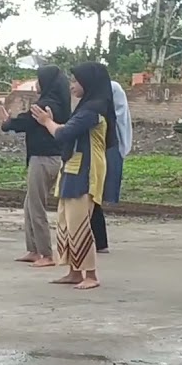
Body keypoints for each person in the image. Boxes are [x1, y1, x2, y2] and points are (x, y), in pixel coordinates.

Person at [28, 62, 114, 290]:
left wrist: (47, 122)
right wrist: (50, 122)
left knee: (79, 221)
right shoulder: (86, 107)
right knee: (66, 221)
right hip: (74, 166)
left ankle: (91, 274)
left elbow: (64, 133)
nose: (72, 85)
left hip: (87, 170)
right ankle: (74, 271)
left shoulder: (94, 108)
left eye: (76, 81)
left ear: (88, 82)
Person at [0, 65, 70, 267]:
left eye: (38, 80)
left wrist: (6, 122)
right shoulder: (60, 103)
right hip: (48, 159)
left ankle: (46, 254)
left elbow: (25, 122)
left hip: (43, 159)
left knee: (36, 207)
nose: (36, 84)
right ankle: (33, 249)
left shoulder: (46, 104)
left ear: (45, 82)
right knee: (29, 204)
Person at [92, 80, 133, 254]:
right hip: (102, 152)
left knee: (93, 197)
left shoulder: (100, 115)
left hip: (103, 153)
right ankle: (99, 243)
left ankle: (98, 243)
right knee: (94, 199)